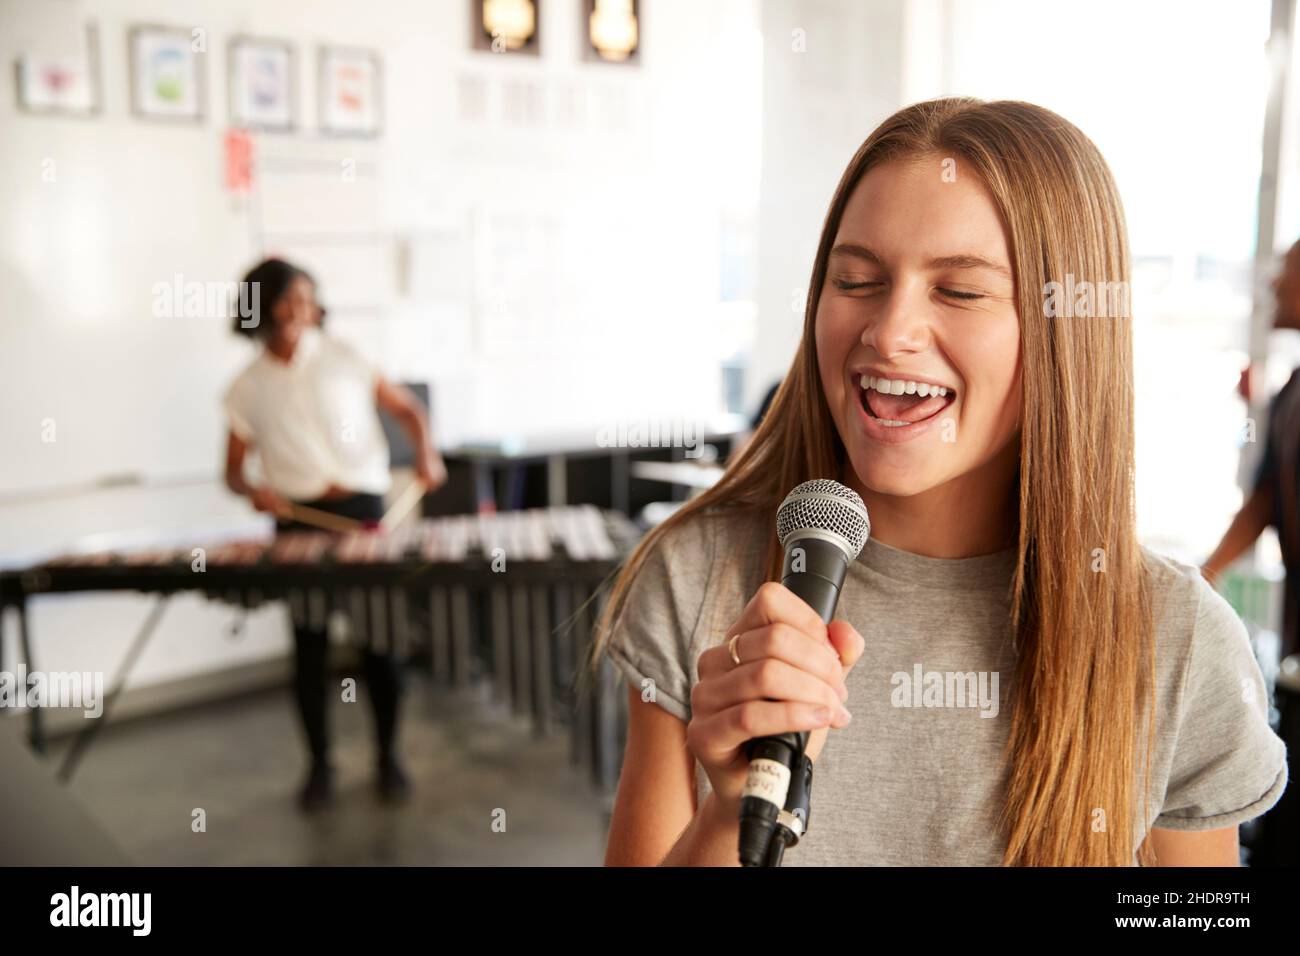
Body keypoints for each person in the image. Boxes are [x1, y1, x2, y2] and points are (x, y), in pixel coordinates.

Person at [597, 98, 1288, 866]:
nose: (890, 332)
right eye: (855, 279)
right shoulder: (697, 577)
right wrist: (730, 817)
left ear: (1069, 333)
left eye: (960, 291)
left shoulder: (1175, 639)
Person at [222, 257, 447, 811]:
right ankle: (319, 767)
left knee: (379, 644)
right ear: (262, 307)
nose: (302, 311)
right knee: (309, 647)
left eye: (308, 299)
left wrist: (426, 455)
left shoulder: (345, 357)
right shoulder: (246, 388)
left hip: (364, 512)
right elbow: (231, 471)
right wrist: (253, 490)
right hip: (297, 520)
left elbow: (410, 411)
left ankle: (388, 757)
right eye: (289, 300)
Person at [1204, 238, 1300, 661]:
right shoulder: (1292, 392)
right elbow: (1265, 499)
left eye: (1290, 270)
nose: (1275, 284)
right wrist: (1205, 578)